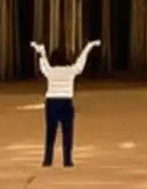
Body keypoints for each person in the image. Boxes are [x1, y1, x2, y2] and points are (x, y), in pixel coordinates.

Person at [29, 38, 100, 168]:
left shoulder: (51, 71)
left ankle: (47, 160)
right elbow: (80, 63)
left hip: (52, 102)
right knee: (68, 132)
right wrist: (88, 47)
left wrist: (41, 52)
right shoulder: (70, 71)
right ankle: (67, 160)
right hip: (66, 102)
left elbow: (43, 65)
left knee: (50, 133)